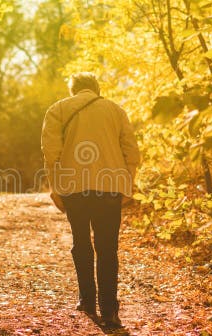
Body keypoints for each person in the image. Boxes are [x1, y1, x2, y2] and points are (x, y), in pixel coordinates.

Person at [40, 72, 140, 327]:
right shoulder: (116, 110)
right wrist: (127, 184)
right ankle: (109, 310)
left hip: (74, 188)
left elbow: (51, 152)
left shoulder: (58, 109)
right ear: (96, 88)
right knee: (108, 248)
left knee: (81, 242)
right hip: (110, 187)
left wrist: (55, 188)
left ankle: (87, 300)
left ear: (73, 90)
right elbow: (131, 150)